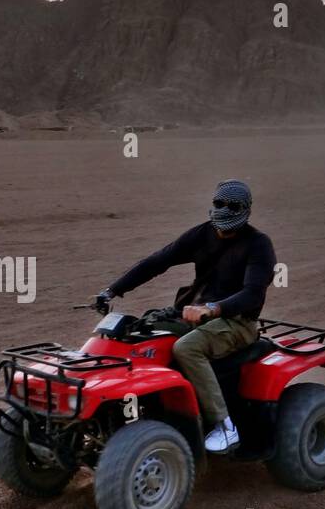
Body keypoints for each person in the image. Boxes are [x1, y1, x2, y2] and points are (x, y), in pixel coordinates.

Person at [93, 179, 276, 453]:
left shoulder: (258, 244)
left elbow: (252, 294)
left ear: (246, 209)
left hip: (237, 322)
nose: (225, 209)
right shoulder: (203, 234)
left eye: (232, 205)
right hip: (195, 316)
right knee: (139, 335)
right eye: (219, 203)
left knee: (186, 348)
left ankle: (225, 427)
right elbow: (159, 261)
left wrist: (212, 308)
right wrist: (113, 290)